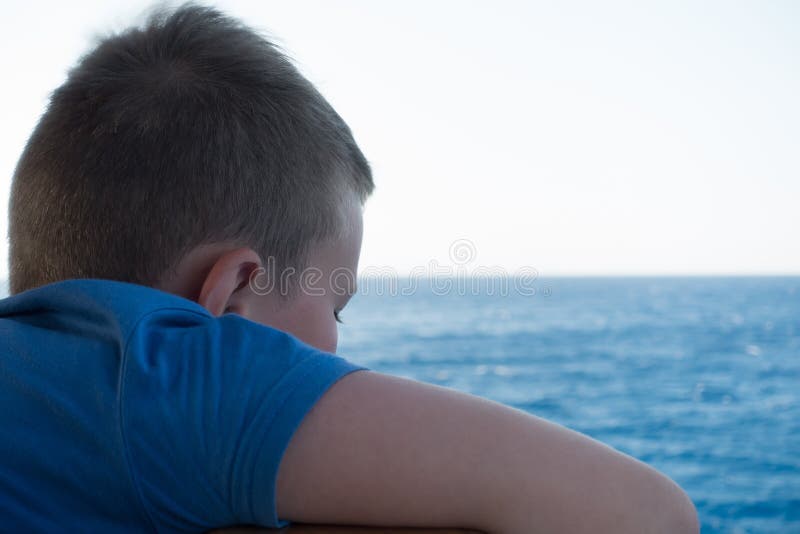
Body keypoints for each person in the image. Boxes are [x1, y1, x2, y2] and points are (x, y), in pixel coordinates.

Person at [0, 2, 699, 533]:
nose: (337, 338)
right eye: (336, 307)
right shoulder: (164, 377)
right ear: (235, 295)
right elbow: (649, 512)